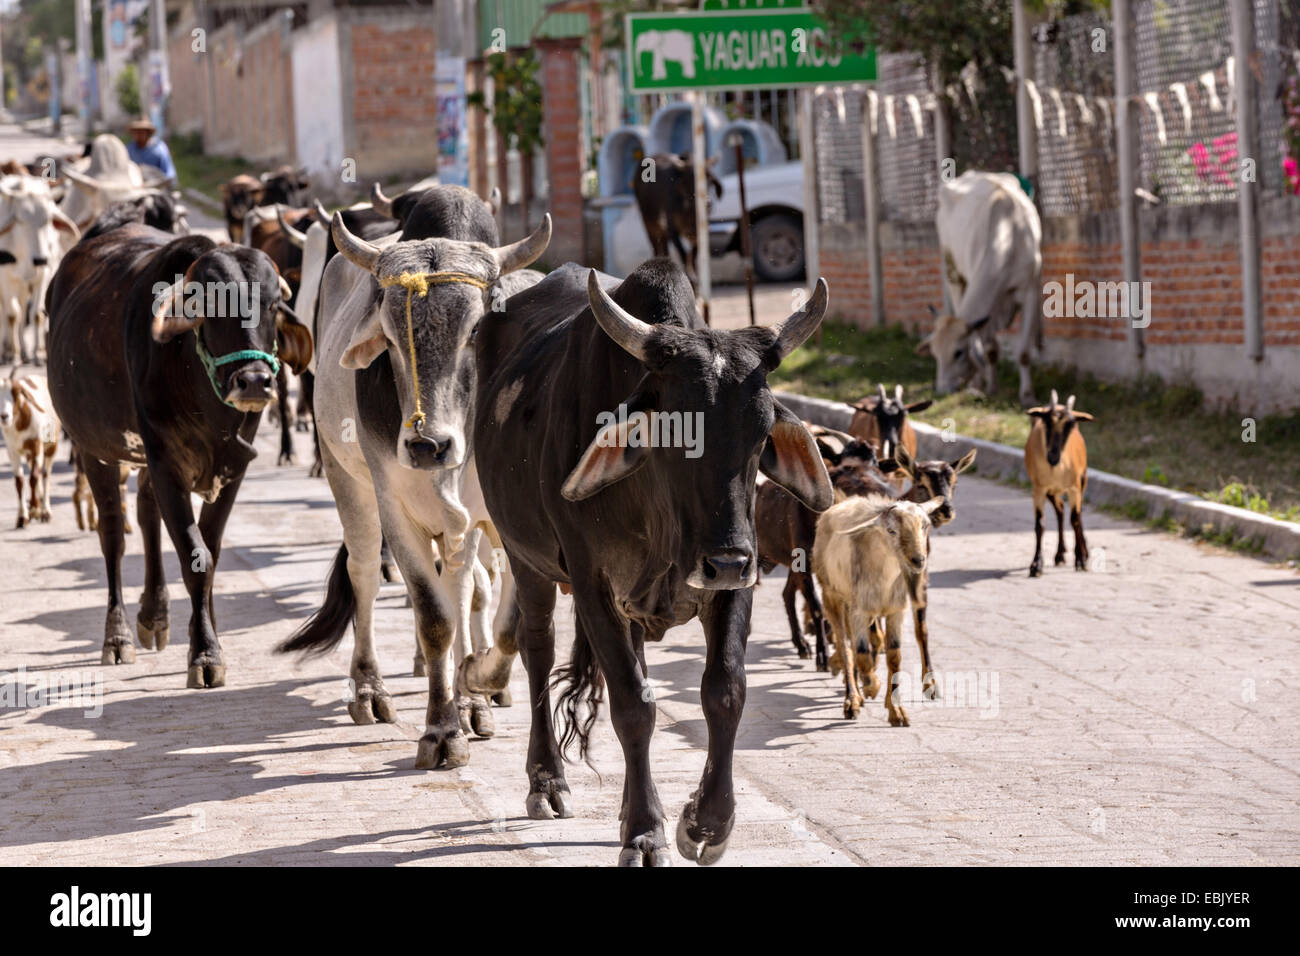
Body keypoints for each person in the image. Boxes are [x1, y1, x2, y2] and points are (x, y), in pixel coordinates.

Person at [125, 117, 177, 182]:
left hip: (156, 185)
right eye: (135, 132)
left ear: (148, 133)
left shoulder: (159, 149)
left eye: (141, 132)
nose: (137, 135)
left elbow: (169, 173)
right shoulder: (129, 149)